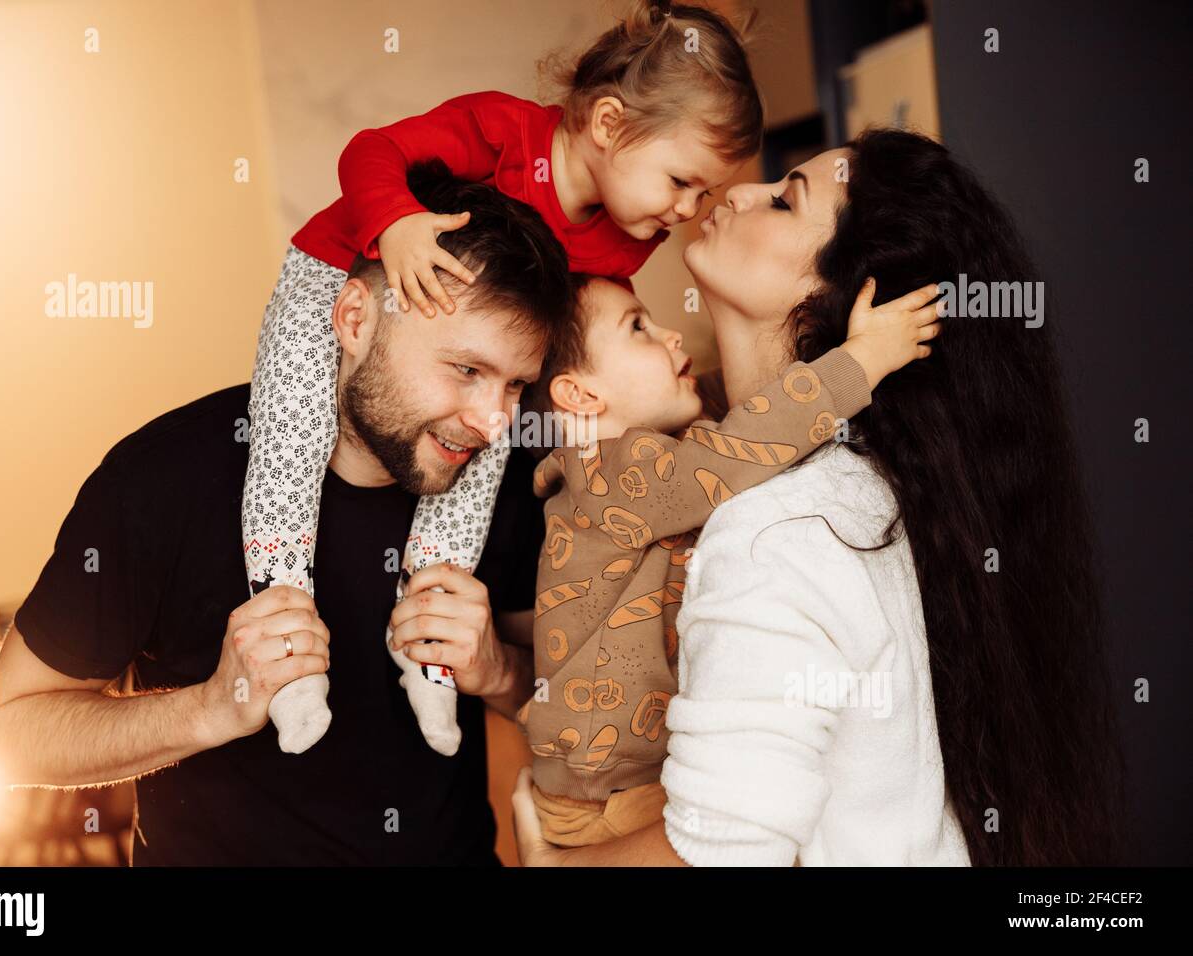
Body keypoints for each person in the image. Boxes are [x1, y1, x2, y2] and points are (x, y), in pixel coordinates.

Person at [514, 129, 1123, 866]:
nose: (732, 192)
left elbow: (726, 850)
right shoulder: (860, 487)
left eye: (781, 199)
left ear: (837, 291)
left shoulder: (774, 531)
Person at [0, 168, 571, 865]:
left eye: (515, 384)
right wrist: (211, 707)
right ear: (353, 320)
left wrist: (496, 669)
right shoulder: (164, 477)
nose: (493, 421)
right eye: (466, 369)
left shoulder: (509, 481)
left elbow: (569, 703)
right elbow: (0, 734)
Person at [241, 2, 768, 737]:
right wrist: (394, 223)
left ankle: (428, 655)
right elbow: (370, 151)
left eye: (703, 194)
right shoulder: (504, 132)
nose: (687, 209)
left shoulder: (627, 243)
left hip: (479, 360)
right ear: (609, 125)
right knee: (289, 449)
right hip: (339, 272)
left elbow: (588, 349)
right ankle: (293, 662)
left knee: (476, 476)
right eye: (682, 180)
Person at [514, 271, 937, 847]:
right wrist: (860, 361)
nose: (671, 335)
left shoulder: (650, 460)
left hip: (624, 777)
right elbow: (740, 446)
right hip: (610, 793)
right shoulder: (604, 470)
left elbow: (750, 410)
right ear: (581, 396)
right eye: (638, 327)